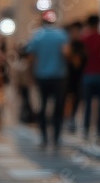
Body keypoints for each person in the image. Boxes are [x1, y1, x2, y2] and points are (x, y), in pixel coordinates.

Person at [24, 11, 70, 148]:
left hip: (42, 76)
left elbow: (30, 56)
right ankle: (56, 136)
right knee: (58, 106)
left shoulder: (37, 35)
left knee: (42, 106)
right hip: (59, 76)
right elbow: (66, 53)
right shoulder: (61, 34)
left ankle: (44, 136)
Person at [81, 14, 100, 144]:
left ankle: (86, 130)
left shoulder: (84, 39)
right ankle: (99, 131)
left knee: (87, 104)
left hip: (88, 74)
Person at [63, 22, 87, 133]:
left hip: (79, 76)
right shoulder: (67, 44)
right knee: (66, 98)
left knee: (77, 97)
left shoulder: (81, 45)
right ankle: (66, 118)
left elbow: (79, 62)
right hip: (67, 76)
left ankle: (72, 118)